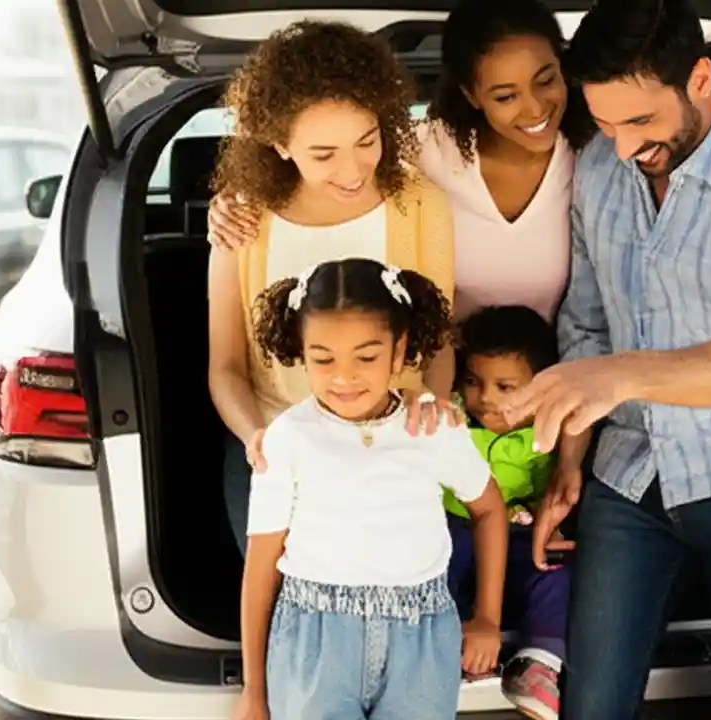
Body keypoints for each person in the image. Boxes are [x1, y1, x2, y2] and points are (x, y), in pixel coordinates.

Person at [507, 0, 711, 717]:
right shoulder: (598, 164)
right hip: (629, 480)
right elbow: (587, 325)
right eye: (608, 122)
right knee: (588, 706)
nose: (622, 146)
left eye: (641, 123)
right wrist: (569, 469)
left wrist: (618, 375)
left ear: (700, 80)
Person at [207, 0, 711, 326]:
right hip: (435, 390)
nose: (535, 109)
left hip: (554, 383)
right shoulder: (426, 150)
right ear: (470, 95)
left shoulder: (599, 151)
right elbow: (334, 155)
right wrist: (233, 198)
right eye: (504, 95)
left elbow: (677, 105)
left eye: (547, 81)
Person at [207, 21, 459, 551]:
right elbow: (226, 368)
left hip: (391, 455)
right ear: (278, 143)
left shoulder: (420, 205)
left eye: (367, 141)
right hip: (277, 455)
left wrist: (429, 404)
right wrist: (259, 438)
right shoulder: (242, 221)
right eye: (324, 154)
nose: (354, 170)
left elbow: (436, 342)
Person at [232, 258, 509, 720]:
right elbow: (261, 567)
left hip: (421, 642)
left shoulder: (432, 427)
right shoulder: (287, 439)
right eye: (323, 359)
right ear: (301, 353)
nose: (344, 377)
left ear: (399, 352)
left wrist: (488, 618)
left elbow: (489, 510)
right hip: (314, 643)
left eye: (366, 356)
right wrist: (254, 690)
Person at [445, 305, 572, 719]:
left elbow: (552, 494)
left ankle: (539, 664)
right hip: (456, 526)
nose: (486, 399)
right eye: (472, 382)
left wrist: (550, 526)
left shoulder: (549, 431)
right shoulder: (453, 420)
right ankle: (446, 648)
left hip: (521, 534)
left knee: (553, 571)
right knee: (441, 561)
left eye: (505, 386)